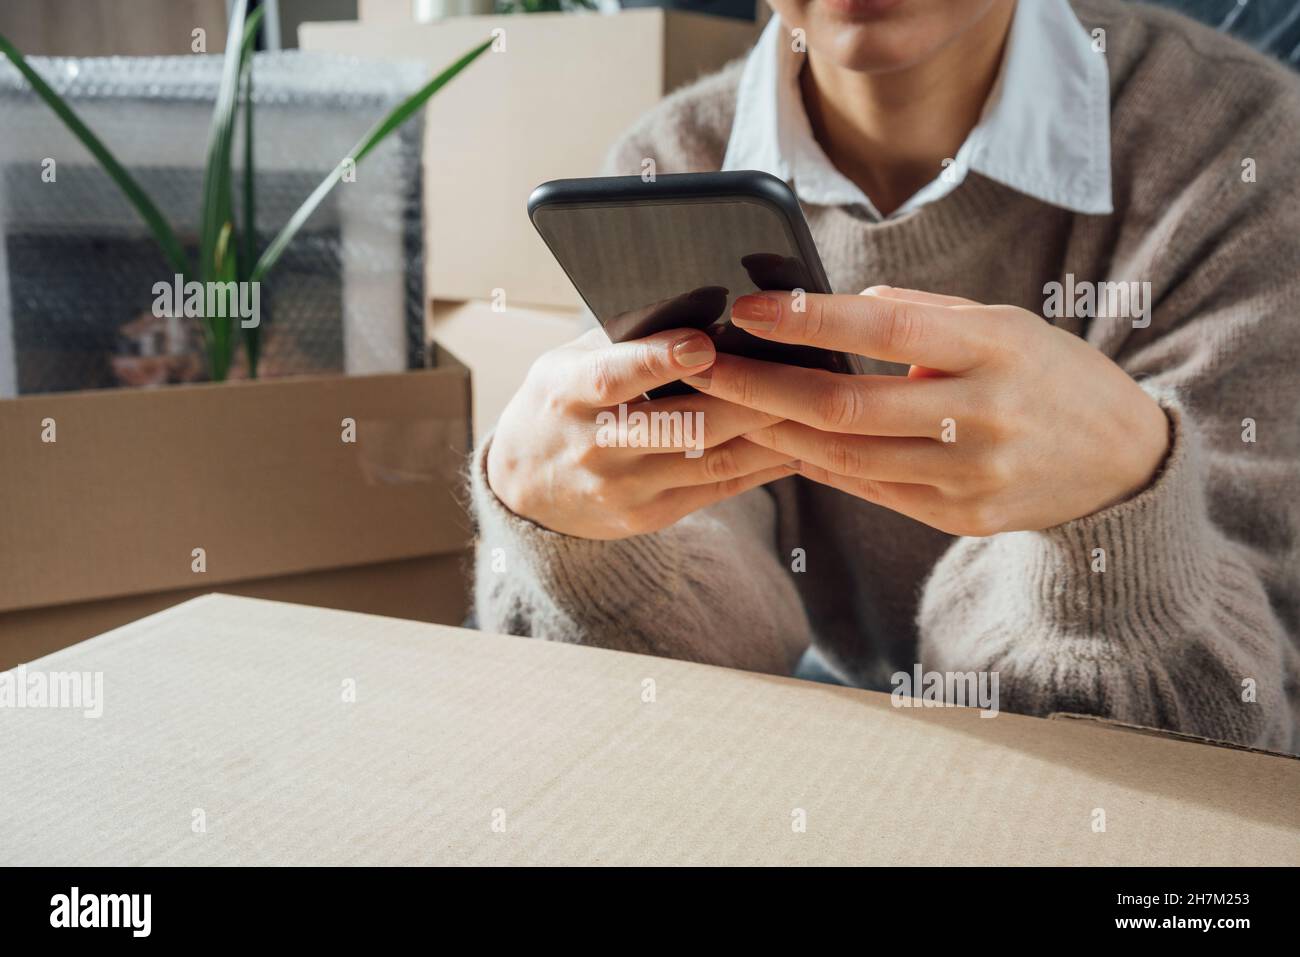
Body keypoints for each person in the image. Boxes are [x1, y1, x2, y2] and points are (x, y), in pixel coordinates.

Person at [471, 0, 1300, 751]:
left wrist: (1122, 520)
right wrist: (576, 544)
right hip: (833, 734)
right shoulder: (666, 160)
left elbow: (1245, 713)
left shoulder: (1244, 147)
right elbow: (684, 677)